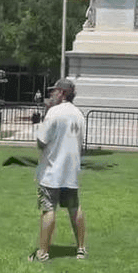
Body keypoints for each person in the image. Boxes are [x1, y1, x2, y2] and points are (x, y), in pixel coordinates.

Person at [29, 78, 87, 262]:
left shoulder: (54, 112)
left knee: (48, 209)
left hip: (51, 171)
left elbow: (42, 142)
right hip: (71, 172)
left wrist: (38, 123)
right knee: (74, 208)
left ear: (62, 93)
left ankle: (42, 252)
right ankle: (81, 248)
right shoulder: (79, 114)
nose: (51, 94)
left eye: (54, 91)